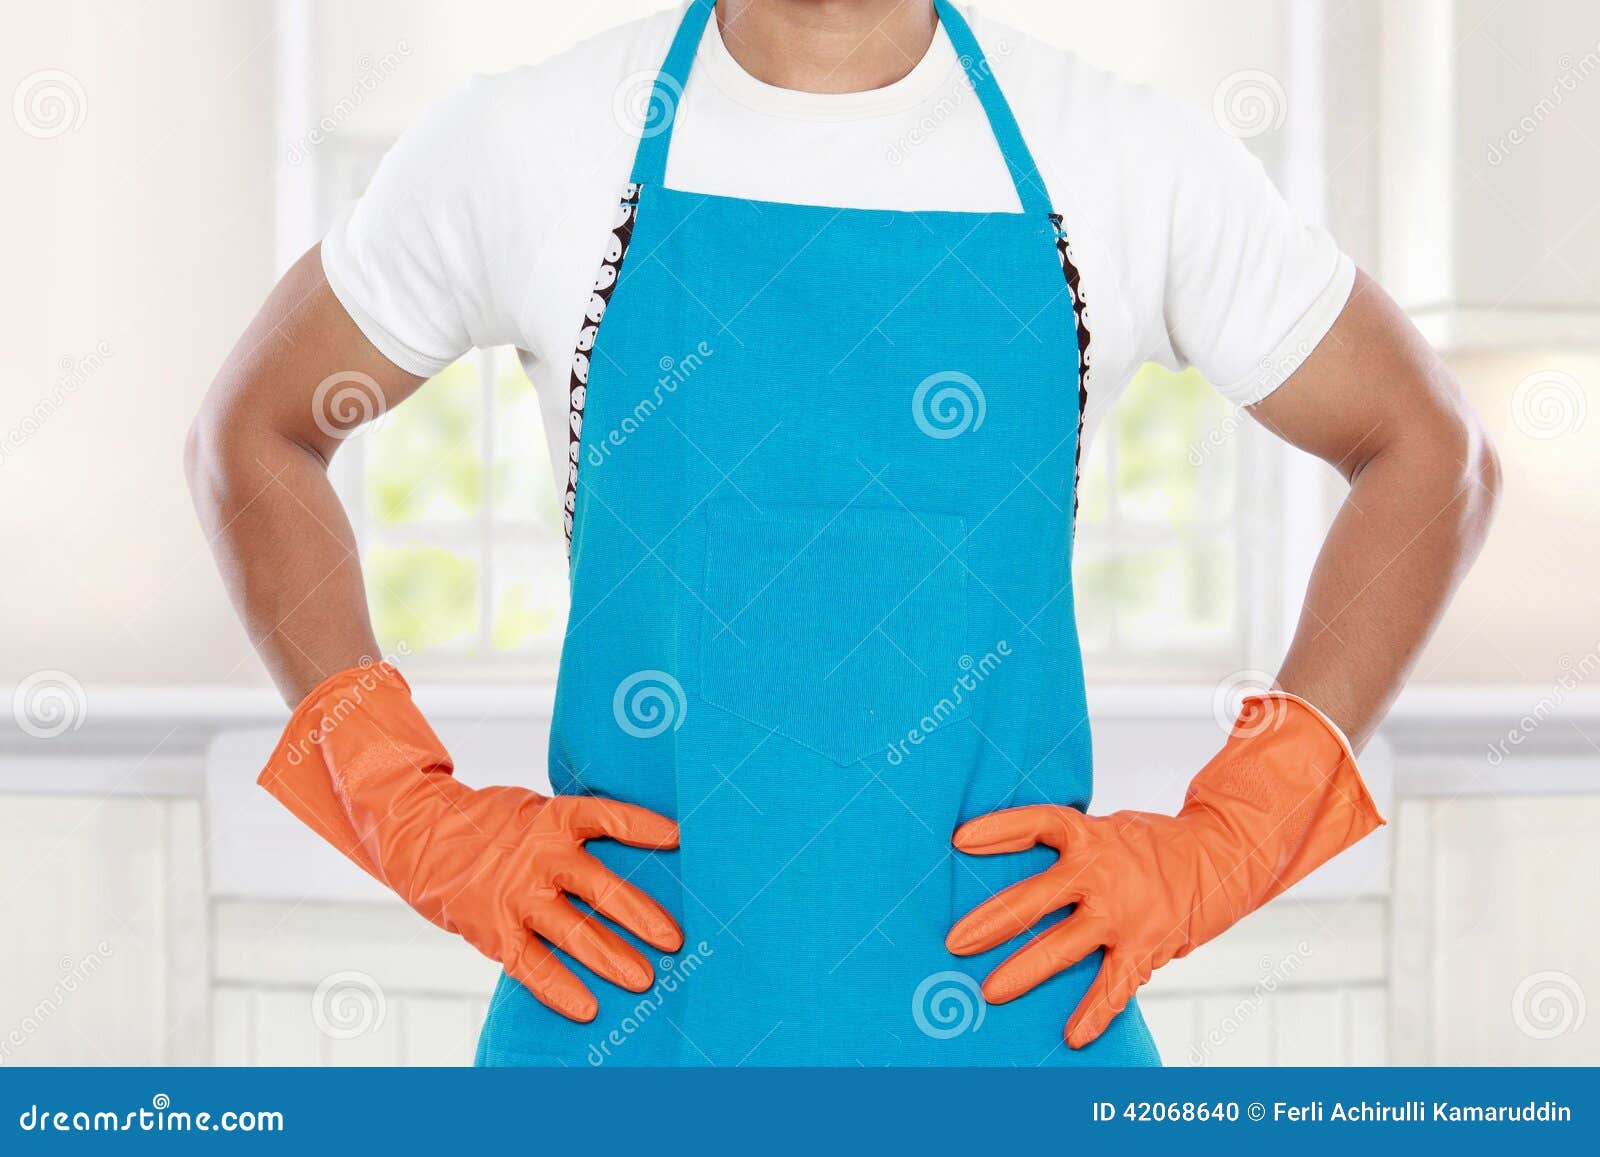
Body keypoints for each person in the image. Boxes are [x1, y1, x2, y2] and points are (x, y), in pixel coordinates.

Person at [185, 0, 1498, 1066]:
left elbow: (1430, 453)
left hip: (1013, 1024)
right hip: (622, 1024)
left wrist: (1236, 836)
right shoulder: (526, 142)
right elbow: (254, 434)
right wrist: (406, 808)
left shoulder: (1125, 157)